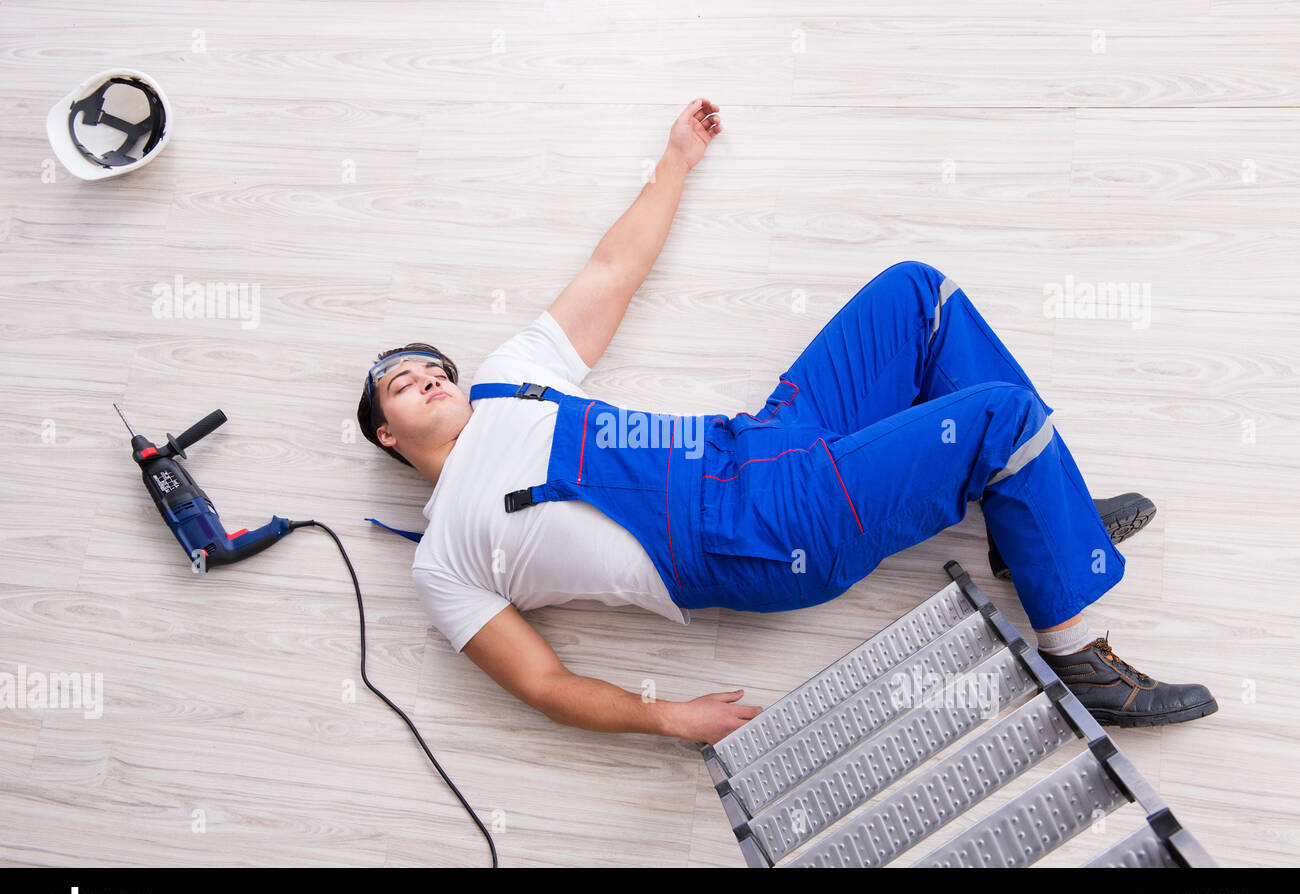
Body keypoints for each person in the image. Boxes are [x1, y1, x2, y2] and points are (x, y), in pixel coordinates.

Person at [355, 98, 1217, 747]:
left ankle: (1032, 530)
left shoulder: (509, 378)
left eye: (434, 367)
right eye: (403, 382)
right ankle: (1075, 650)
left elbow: (613, 269)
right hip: (762, 529)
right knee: (1003, 417)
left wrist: (676, 160)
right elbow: (542, 681)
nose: (429, 377)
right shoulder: (444, 563)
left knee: (917, 295)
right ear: (390, 435)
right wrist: (671, 719)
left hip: (755, 443)